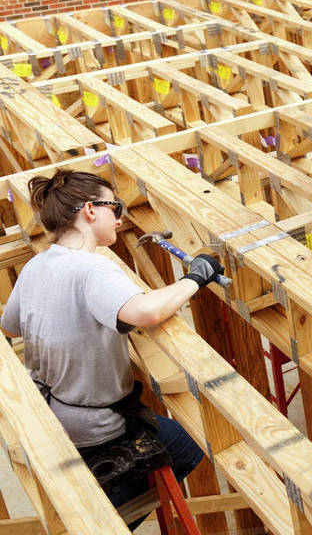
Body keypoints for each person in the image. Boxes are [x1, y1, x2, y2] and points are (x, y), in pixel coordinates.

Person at [0, 170, 214, 518]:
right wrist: (196, 278)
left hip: (52, 414)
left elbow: (10, 328)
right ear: (89, 210)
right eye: (114, 207)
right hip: (97, 428)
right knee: (187, 448)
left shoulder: (37, 265)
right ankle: (108, 517)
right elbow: (146, 311)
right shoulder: (92, 269)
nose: (119, 217)